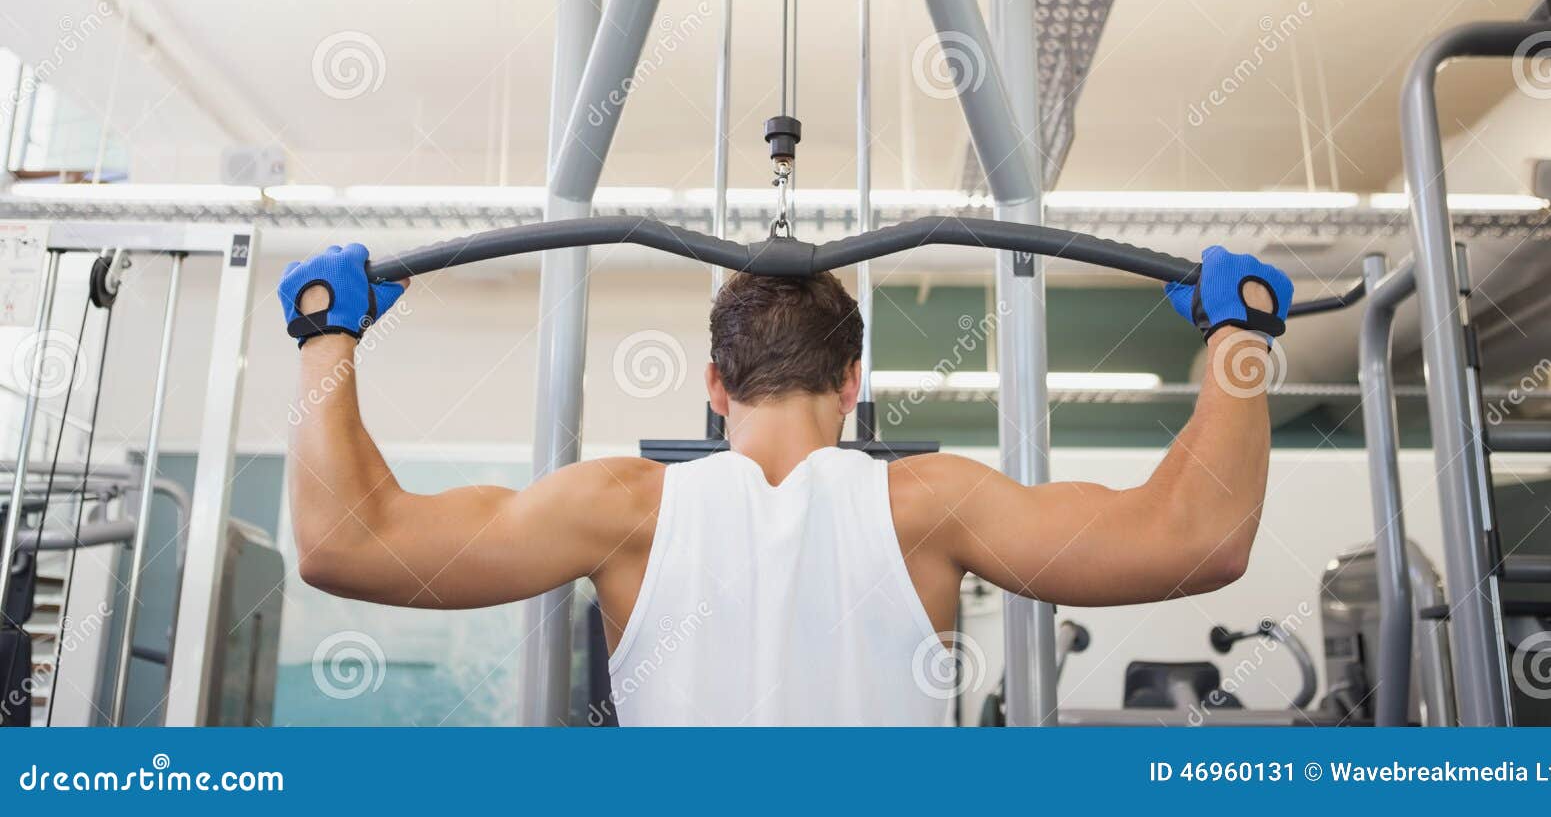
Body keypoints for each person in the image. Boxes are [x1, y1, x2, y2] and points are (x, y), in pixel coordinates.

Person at [280, 242, 1291, 726]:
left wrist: (328, 330)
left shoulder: (625, 507)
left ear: (713, 385)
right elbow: (1197, 534)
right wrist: (1235, 333)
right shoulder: (929, 503)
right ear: (854, 381)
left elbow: (346, 540)